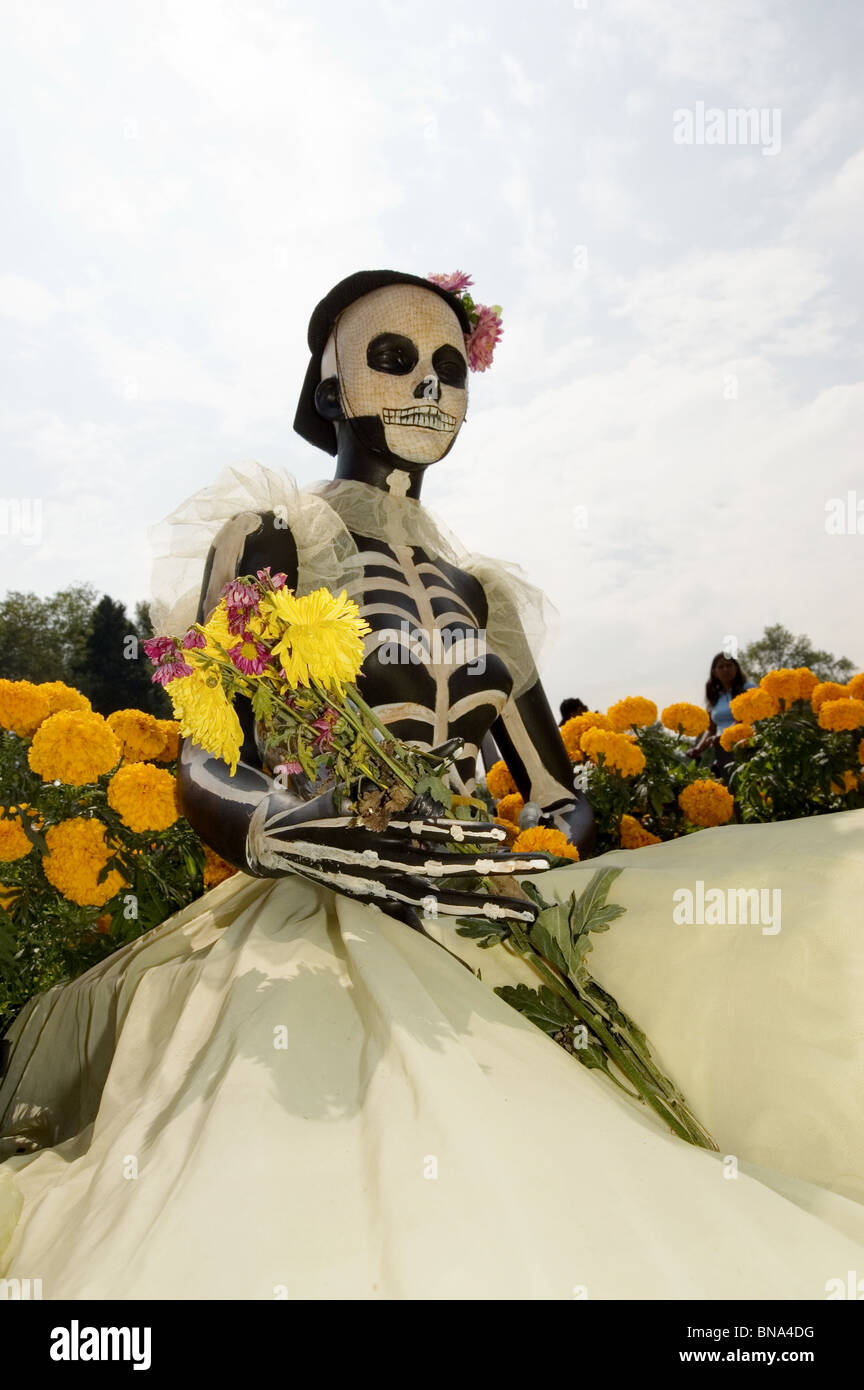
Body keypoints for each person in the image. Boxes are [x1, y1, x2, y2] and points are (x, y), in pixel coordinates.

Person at [1, 270, 862, 1300]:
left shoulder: (482, 593)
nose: (430, 387)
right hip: (318, 905)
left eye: (451, 367)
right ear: (331, 390)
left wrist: (553, 850)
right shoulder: (272, 538)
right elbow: (204, 751)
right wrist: (280, 825)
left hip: (485, 902)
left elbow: (554, 791)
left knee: (791, 926)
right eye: (396, 357)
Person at [690, 651, 756, 778]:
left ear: (736, 668)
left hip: (746, 747)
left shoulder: (749, 689)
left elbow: (749, 717)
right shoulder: (715, 696)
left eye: (729, 665)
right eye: (721, 666)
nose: (725, 669)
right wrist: (698, 749)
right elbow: (711, 729)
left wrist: (725, 735)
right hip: (722, 751)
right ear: (714, 672)